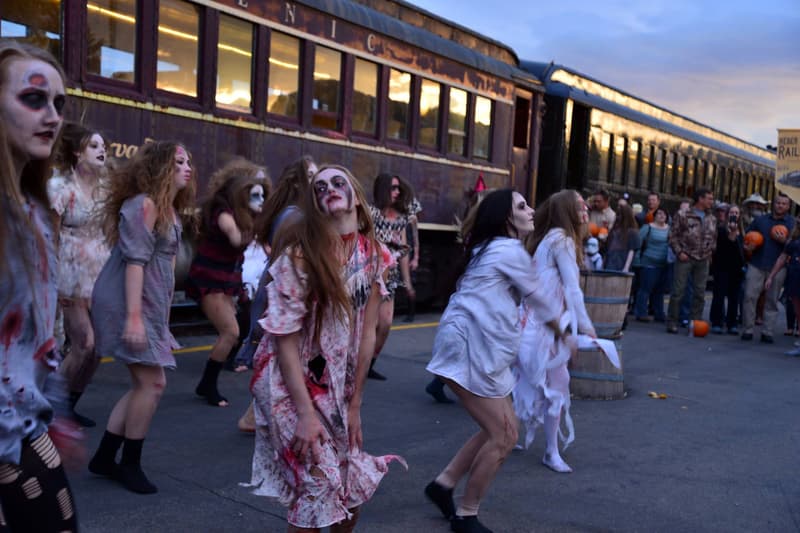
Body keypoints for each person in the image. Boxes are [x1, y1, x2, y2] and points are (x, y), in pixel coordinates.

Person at [244, 164, 404, 532]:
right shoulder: (300, 256)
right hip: (287, 382)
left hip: (337, 384)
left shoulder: (375, 256)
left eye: (337, 182)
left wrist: (356, 404)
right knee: (317, 487)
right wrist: (304, 413)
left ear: (357, 203)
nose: (327, 188)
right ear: (315, 206)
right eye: (319, 187)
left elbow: (367, 334)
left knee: (347, 495)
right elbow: (283, 338)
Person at [424, 189, 562, 533]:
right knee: (503, 435)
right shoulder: (507, 249)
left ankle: (443, 484)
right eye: (521, 206)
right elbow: (541, 300)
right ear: (506, 218)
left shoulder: (490, 248)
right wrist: (571, 336)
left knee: (499, 427)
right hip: (471, 349)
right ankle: (467, 515)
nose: (531, 210)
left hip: (482, 348)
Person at [0, 39, 80, 531]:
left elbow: (37, 336)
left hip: (29, 423)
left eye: (58, 104)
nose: (52, 116)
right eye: (34, 100)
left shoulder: (33, 212)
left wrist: (59, 410)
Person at [89, 140, 195, 494]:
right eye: (179, 162)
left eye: (188, 161)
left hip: (145, 304)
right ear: (161, 167)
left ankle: (105, 457)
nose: (187, 167)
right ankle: (128, 464)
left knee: (142, 384)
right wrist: (134, 319)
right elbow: (135, 264)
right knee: (153, 383)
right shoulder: (145, 205)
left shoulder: (165, 207)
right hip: (128, 302)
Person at [514, 189, 595, 475]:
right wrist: (586, 327)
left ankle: (518, 436)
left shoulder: (550, 239)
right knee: (556, 384)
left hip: (536, 323)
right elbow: (572, 289)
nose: (586, 210)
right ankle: (548, 451)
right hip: (544, 327)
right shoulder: (561, 240)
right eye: (580, 206)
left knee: (530, 380)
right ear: (567, 211)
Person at [234, 155, 316, 433]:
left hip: (277, 291)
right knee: (282, 356)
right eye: (314, 175)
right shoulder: (296, 216)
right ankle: (260, 417)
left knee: (279, 358)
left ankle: (255, 416)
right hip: (282, 293)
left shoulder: (289, 213)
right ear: (302, 182)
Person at [187, 159, 267, 406]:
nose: (260, 200)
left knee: (240, 325)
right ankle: (207, 384)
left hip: (227, 279)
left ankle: (220, 371)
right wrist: (258, 218)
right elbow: (236, 239)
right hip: (210, 279)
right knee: (229, 332)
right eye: (254, 195)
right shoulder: (223, 213)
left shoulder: (237, 213)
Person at [47, 122, 111, 428]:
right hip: (70, 273)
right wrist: (52, 277)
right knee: (83, 343)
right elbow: (50, 234)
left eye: (103, 146)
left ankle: (71, 403)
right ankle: (49, 406)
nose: (102, 151)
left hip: (98, 273)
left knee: (98, 349)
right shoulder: (61, 187)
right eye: (94, 146)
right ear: (77, 151)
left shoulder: (104, 188)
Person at [368, 173, 414, 380]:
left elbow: (404, 253)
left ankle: (370, 363)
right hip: (370, 276)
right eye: (393, 188)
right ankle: (359, 362)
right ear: (383, 190)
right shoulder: (370, 215)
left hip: (391, 277)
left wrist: (408, 282)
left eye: (398, 189)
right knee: (367, 324)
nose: (396, 192)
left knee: (385, 323)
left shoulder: (400, 220)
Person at [741, 193, 794, 343]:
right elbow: (748, 238)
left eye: (784, 204)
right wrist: (748, 247)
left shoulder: (792, 224)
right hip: (757, 263)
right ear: (773, 204)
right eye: (778, 203)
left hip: (778, 267)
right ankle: (748, 329)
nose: (780, 206)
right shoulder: (761, 220)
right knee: (750, 296)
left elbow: (795, 247)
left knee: (771, 300)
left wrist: (784, 241)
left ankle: (767, 331)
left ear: (788, 206)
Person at [665, 188, 717, 334]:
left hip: (703, 259)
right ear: (700, 199)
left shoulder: (711, 218)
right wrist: (679, 252)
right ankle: (672, 321)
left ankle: (695, 323)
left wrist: (711, 252)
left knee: (700, 293)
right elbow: (672, 236)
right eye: (709, 198)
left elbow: (713, 237)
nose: (711, 202)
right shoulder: (683, 215)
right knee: (678, 291)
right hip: (685, 257)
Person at [766, 217, 800, 356]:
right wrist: (771, 276)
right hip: (796, 278)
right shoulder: (794, 241)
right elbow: (782, 258)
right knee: (798, 312)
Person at [709, 204, 745, 334]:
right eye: (732, 212)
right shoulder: (721, 229)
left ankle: (732, 323)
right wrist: (733, 232)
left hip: (736, 268)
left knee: (734, 297)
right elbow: (727, 244)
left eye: (736, 213)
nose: (734, 215)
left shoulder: (742, 231)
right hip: (722, 266)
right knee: (719, 295)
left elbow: (740, 250)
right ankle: (717, 322)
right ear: (727, 214)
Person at [633, 206, 670, 322]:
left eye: (664, 214)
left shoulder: (670, 229)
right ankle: (641, 313)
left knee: (659, 291)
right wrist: (637, 260)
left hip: (664, 264)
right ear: (654, 216)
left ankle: (659, 313)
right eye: (659, 214)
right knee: (645, 289)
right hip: (648, 263)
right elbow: (637, 243)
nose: (662, 215)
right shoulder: (647, 227)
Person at [604, 203, 640, 272]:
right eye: (617, 214)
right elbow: (608, 249)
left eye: (620, 215)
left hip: (621, 260)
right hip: (610, 259)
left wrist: (626, 267)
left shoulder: (632, 232)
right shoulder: (614, 230)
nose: (618, 217)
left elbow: (631, 251)